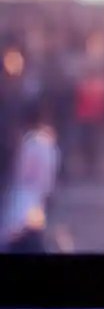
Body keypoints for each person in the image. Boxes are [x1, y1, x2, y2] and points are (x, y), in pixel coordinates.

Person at [1, 106, 60, 253]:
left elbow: (21, 172)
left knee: (16, 239)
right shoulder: (50, 144)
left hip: (25, 198)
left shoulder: (30, 143)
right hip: (40, 197)